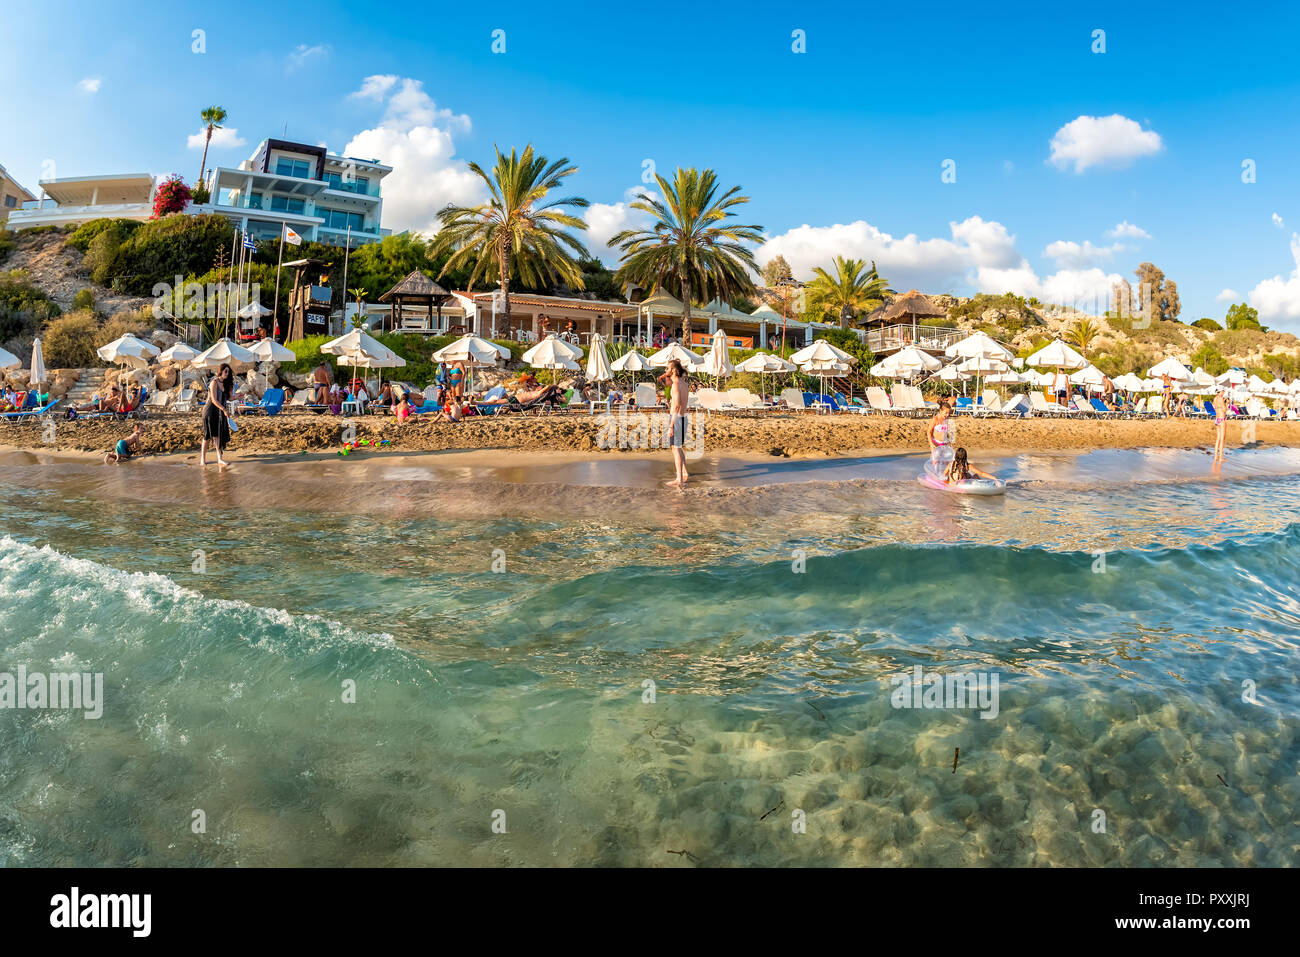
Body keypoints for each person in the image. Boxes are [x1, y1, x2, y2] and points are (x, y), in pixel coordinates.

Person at [200, 362, 234, 470]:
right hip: (210, 411)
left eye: (228, 372)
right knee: (208, 436)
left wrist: (237, 396)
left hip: (220, 412)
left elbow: (229, 398)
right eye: (225, 371)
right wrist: (224, 409)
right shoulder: (214, 382)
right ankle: (202, 459)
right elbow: (214, 400)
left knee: (218, 435)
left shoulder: (226, 383)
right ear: (221, 371)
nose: (227, 373)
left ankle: (220, 459)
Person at [664, 358, 689, 488]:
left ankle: (679, 479)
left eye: (667, 368)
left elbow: (677, 406)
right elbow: (665, 380)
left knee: (675, 449)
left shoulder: (676, 385)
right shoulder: (684, 383)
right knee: (678, 447)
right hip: (684, 418)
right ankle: (684, 472)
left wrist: (671, 426)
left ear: (674, 370)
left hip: (677, 418)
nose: (665, 370)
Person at [927, 397, 955, 467]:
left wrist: (949, 441)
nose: (947, 415)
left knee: (946, 461)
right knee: (936, 461)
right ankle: (935, 473)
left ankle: (945, 474)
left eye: (949, 413)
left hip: (944, 443)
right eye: (945, 413)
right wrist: (931, 444)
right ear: (940, 411)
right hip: (935, 443)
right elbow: (929, 432)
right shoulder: (936, 419)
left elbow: (946, 432)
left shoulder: (947, 419)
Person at [1212, 387, 1228, 463]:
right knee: (1222, 439)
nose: (1223, 393)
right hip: (1222, 419)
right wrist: (1226, 403)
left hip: (1217, 419)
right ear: (1221, 391)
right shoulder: (1221, 399)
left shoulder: (1215, 399)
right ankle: (1221, 457)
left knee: (1218, 438)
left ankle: (1216, 456)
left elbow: (1216, 408)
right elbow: (1224, 410)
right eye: (1223, 392)